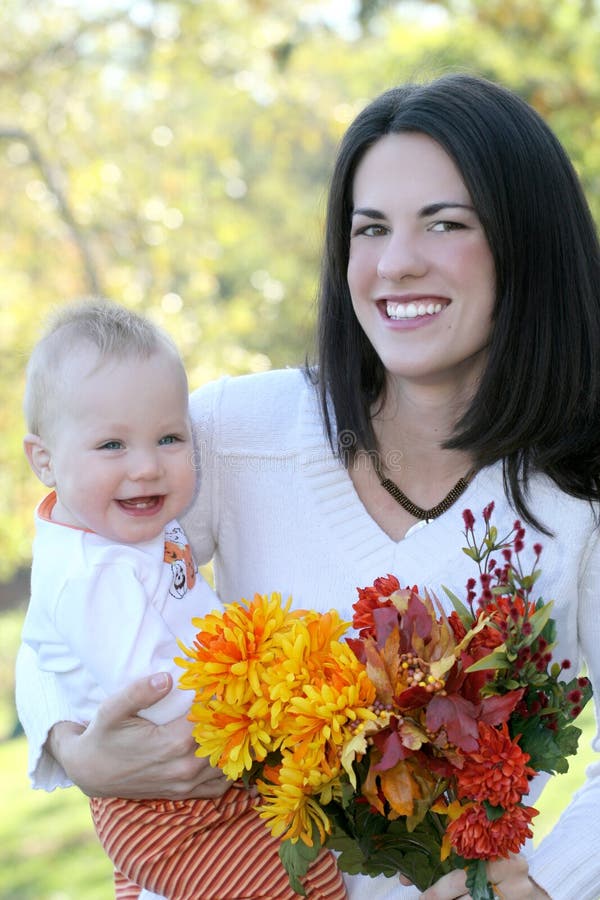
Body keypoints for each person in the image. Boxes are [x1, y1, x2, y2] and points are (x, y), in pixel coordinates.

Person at [16, 71, 600, 900]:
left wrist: (529, 887)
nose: (396, 263)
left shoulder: (576, 503)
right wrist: (69, 743)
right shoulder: (232, 433)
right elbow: (76, 579)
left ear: (525, 242)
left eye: (445, 223)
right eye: (370, 229)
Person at [18, 299, 346, 900]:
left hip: (185, 784)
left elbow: (192, 613)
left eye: (169, 438)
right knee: (301, 884)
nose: (146, 467)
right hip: (159, 800)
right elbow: (159, 686)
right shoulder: (92, 572)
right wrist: (276, 694)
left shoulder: (123, 530)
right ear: (45, 460)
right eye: (111, 445)